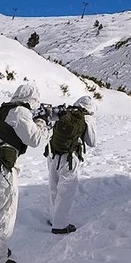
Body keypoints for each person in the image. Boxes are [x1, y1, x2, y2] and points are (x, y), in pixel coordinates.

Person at [0, 83, 51, 263]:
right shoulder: (20, 112)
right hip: (4, 168)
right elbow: (34, 139)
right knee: (4, 213)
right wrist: (42, 122)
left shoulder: (2, 110)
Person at [48, 95, 97, 234]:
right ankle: (60, 225)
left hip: (54, 153)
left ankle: (53, 217)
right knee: (66, 190)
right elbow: (92, 142)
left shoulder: (65, 112)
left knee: (54, 187)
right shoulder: (86, 118)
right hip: (70, 157)